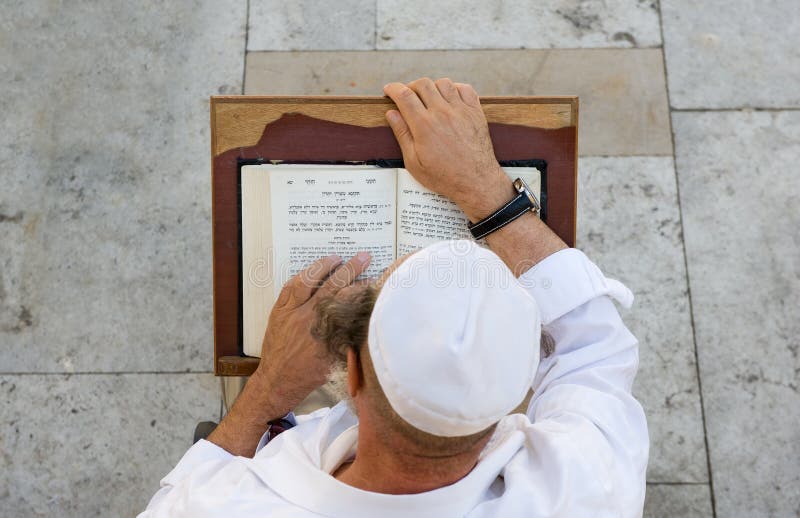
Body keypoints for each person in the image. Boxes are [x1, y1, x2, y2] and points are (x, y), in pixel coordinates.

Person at [140, 78, 648, 517]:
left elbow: (183, 491)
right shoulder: (588, 486)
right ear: (519, 396)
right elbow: (591, 347)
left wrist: (267, 391)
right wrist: (486, 189)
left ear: (352, 373)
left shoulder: (216, 506)